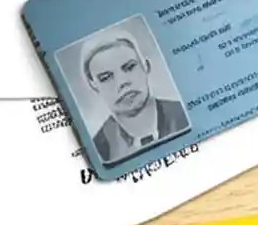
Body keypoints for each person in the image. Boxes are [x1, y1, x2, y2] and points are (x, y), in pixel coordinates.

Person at [78, 28, 189, 163]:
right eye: (106, 78)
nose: (122, 82)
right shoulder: (99, 150)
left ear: (145, 66)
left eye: (130, 67)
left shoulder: (184, 112)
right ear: (94, 87)